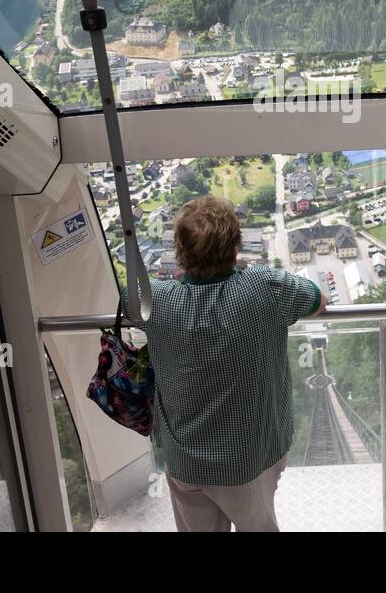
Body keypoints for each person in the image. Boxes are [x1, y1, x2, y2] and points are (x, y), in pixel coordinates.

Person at [129, 194, 326, 532]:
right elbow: (317, 300)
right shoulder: (263, 288)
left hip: (184, 459)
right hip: (248, 457)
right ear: (236, 244)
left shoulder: (156, 301)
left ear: (179, 250)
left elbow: (126, 298)